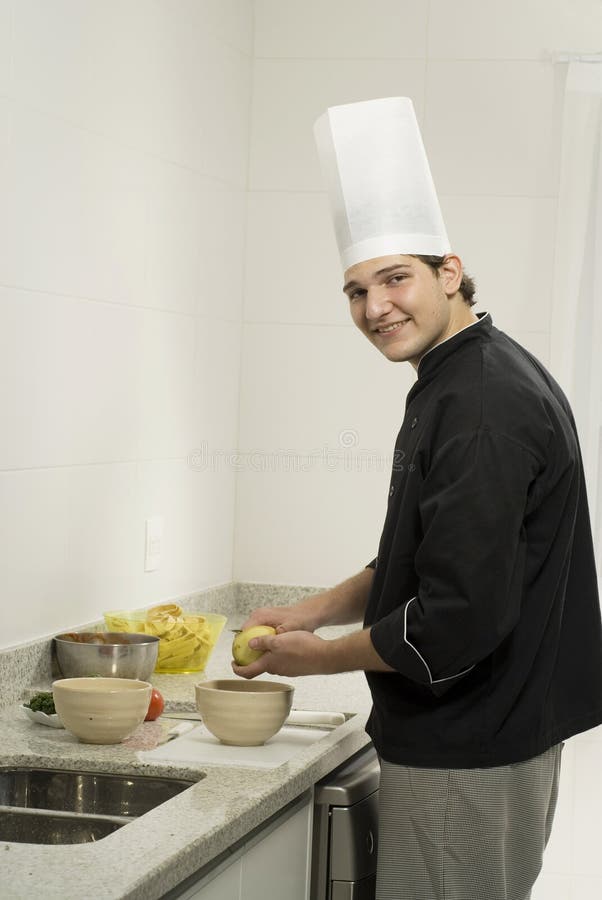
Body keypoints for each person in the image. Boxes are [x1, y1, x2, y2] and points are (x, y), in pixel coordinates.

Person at [231, 98, 602, 900]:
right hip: (495, 736)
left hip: (469, 747)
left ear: (450, 271)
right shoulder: (471, 374)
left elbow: (454, 619)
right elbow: (431, 553)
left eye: (395, 278)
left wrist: (320, 657)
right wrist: (310, 612)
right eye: (356, 290)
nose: (374, 308)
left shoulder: (479, 406)